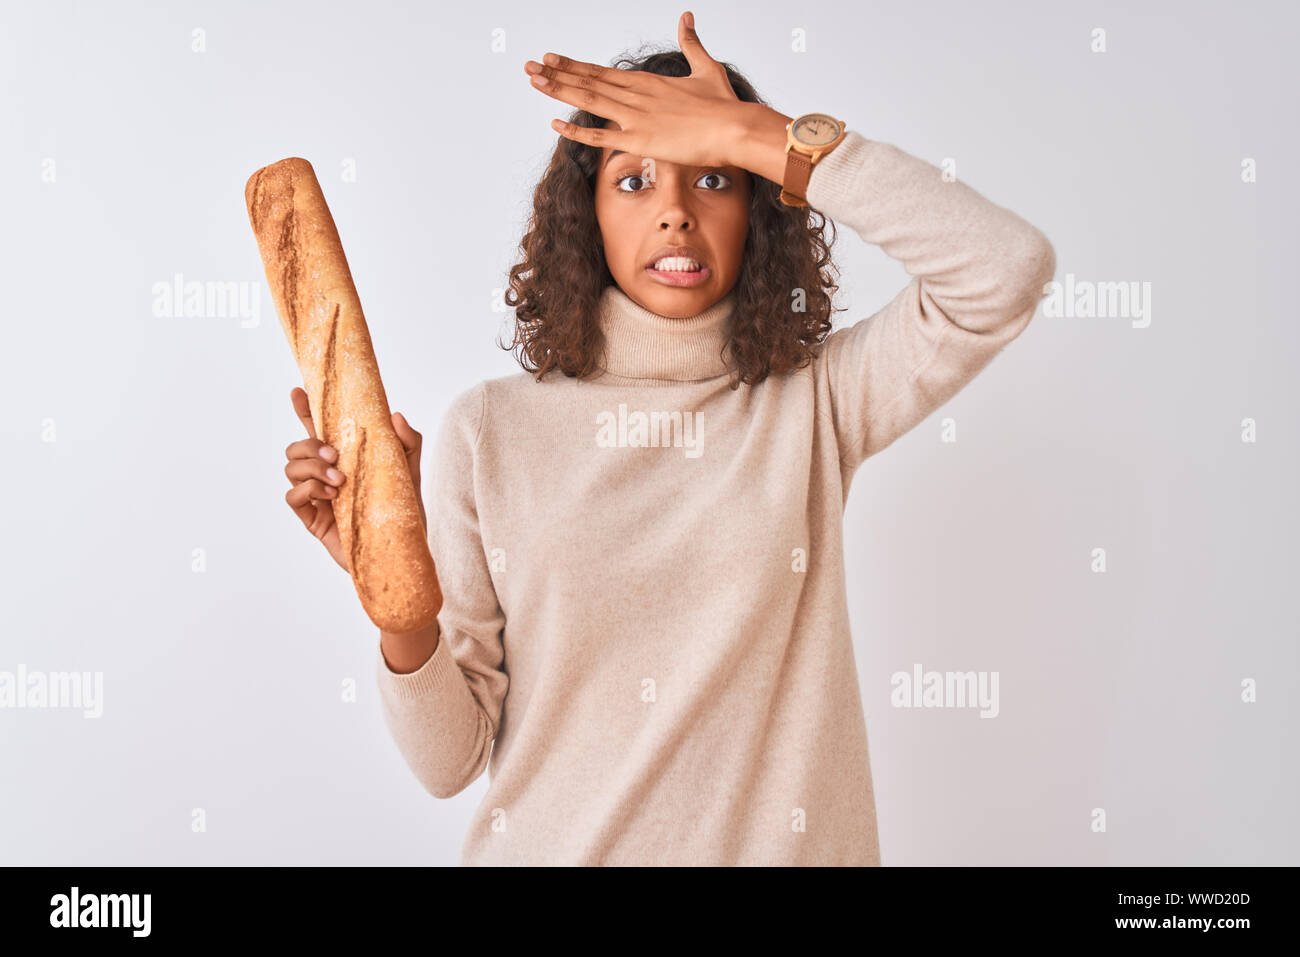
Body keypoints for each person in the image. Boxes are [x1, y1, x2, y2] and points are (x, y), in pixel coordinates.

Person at [283, 12, 1055, 865]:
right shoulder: (487, 431)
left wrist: (760, 135)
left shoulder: (817, 402)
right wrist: (402, 606)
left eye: (715, 179)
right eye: (635, 181)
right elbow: (447, 761)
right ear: (588, 215)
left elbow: (1005, 268)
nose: (676, 213)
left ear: (760, 205)